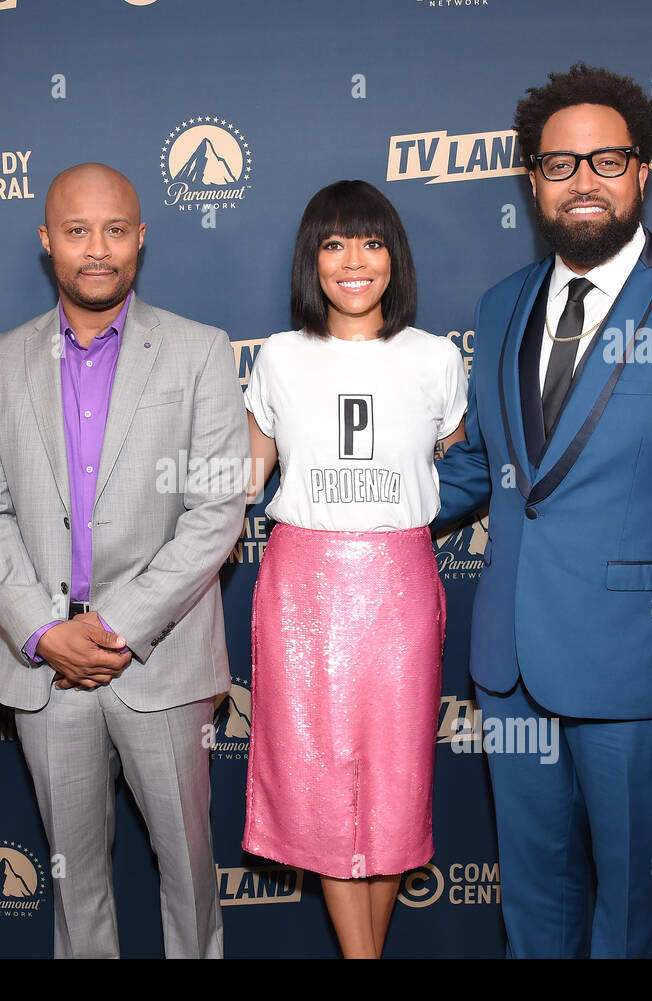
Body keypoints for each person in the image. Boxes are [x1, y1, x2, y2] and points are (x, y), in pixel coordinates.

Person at [434, 63, 652, 957]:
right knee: (534, 914)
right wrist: (334, 492)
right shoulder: (501, 305)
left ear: (643, 171)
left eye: (607, 159)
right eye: (560, 164)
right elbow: (486, 466)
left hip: (644, 678)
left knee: (632, 919)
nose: (583, 180)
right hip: (511, 672)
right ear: (532, 181)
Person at [0, 163, 247, 959]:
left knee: (189, 876)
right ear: (46, 240)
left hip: (163, 664)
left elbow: (217, 509)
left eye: (115, 229)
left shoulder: (199, 352)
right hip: (47, 670)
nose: (97, 249)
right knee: (73, 886)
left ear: (141, 238)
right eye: (77, 231)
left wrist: (114, 625)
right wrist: (43, 632)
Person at [241, 180, 467, 958]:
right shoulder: (277, 356)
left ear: (393, 257)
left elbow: (457, 467)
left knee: (392, 788)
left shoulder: (437, 358)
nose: (353, 261)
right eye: (333, 244)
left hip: (399, 584)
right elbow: (247, 471)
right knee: (327, 787)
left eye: (371, 242)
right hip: (302, 584)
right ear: (313, 260)